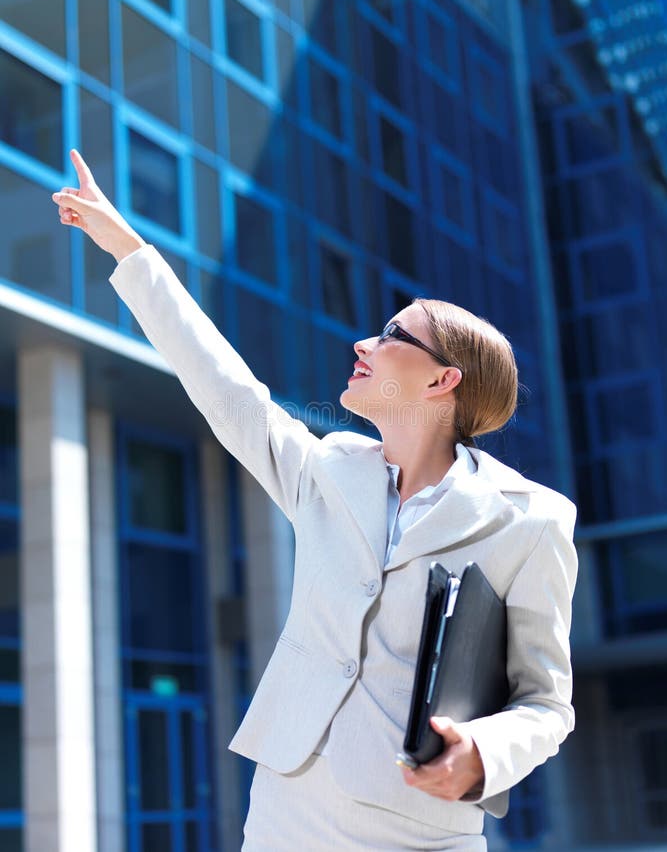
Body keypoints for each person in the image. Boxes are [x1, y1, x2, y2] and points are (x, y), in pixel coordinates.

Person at [52, 149, 577, 851]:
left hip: (419, 827)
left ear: (441, 381)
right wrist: (128, 248)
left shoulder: (531, 520)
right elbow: (225, 389)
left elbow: (545, 702)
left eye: (394, 335)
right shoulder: (328, 471)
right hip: (286, 806)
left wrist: (482, 753)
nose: (364, 341)